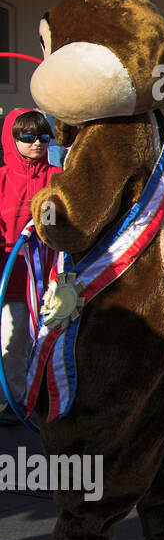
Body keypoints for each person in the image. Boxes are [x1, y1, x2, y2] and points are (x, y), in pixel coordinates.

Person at [0, 109, 59, 421]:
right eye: (28, 136)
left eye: (43, 135)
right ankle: (14, 398)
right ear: (12, 138)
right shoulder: (2, 180)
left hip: (48, 286)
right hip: (10, 282)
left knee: (37, 343)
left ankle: (29, 401)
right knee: (12, 343)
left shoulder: (58, 179)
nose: (37, 142)